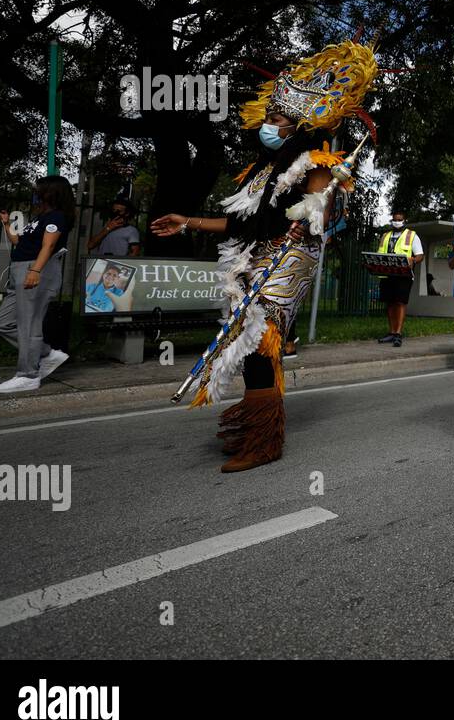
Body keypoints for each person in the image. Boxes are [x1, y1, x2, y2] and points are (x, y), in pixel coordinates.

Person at [151, 40, 377, 472]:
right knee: (253, 344)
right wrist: (186, 222)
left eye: (277, 120)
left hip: (291, 258)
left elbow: (321, 210)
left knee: (261, 340)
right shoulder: (259, 173)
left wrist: (311, 212)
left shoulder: (316, 162)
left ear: (297, 125)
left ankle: (264, 440)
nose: (268, 126)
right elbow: (241, 226)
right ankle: (259, 426)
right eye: (269, 118)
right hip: (255, 256)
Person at [0, 176, 75, 393]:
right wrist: (6, 223)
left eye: (39, 189)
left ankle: (28, 375)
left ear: (52, 192)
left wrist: (35, 270)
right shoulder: (41, 217)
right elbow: (20, 242)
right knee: (2, 323)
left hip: (37, 269)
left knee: (29, 324)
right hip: (20, 268)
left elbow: (48, 246)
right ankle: (47, 353)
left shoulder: (57, 216)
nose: (36, 193)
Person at [376, 208, 422, 347]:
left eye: (399, 220)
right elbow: (379, 254)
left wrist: (413, 259)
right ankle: (391, 333)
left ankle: (398, 334)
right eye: (395, 220)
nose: (397, 222)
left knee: (400, 302)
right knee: (389, 303)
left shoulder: (412, 235)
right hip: (387, 274)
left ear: (404, 220)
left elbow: (420, 255)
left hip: (404, 276)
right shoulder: (385, 236)